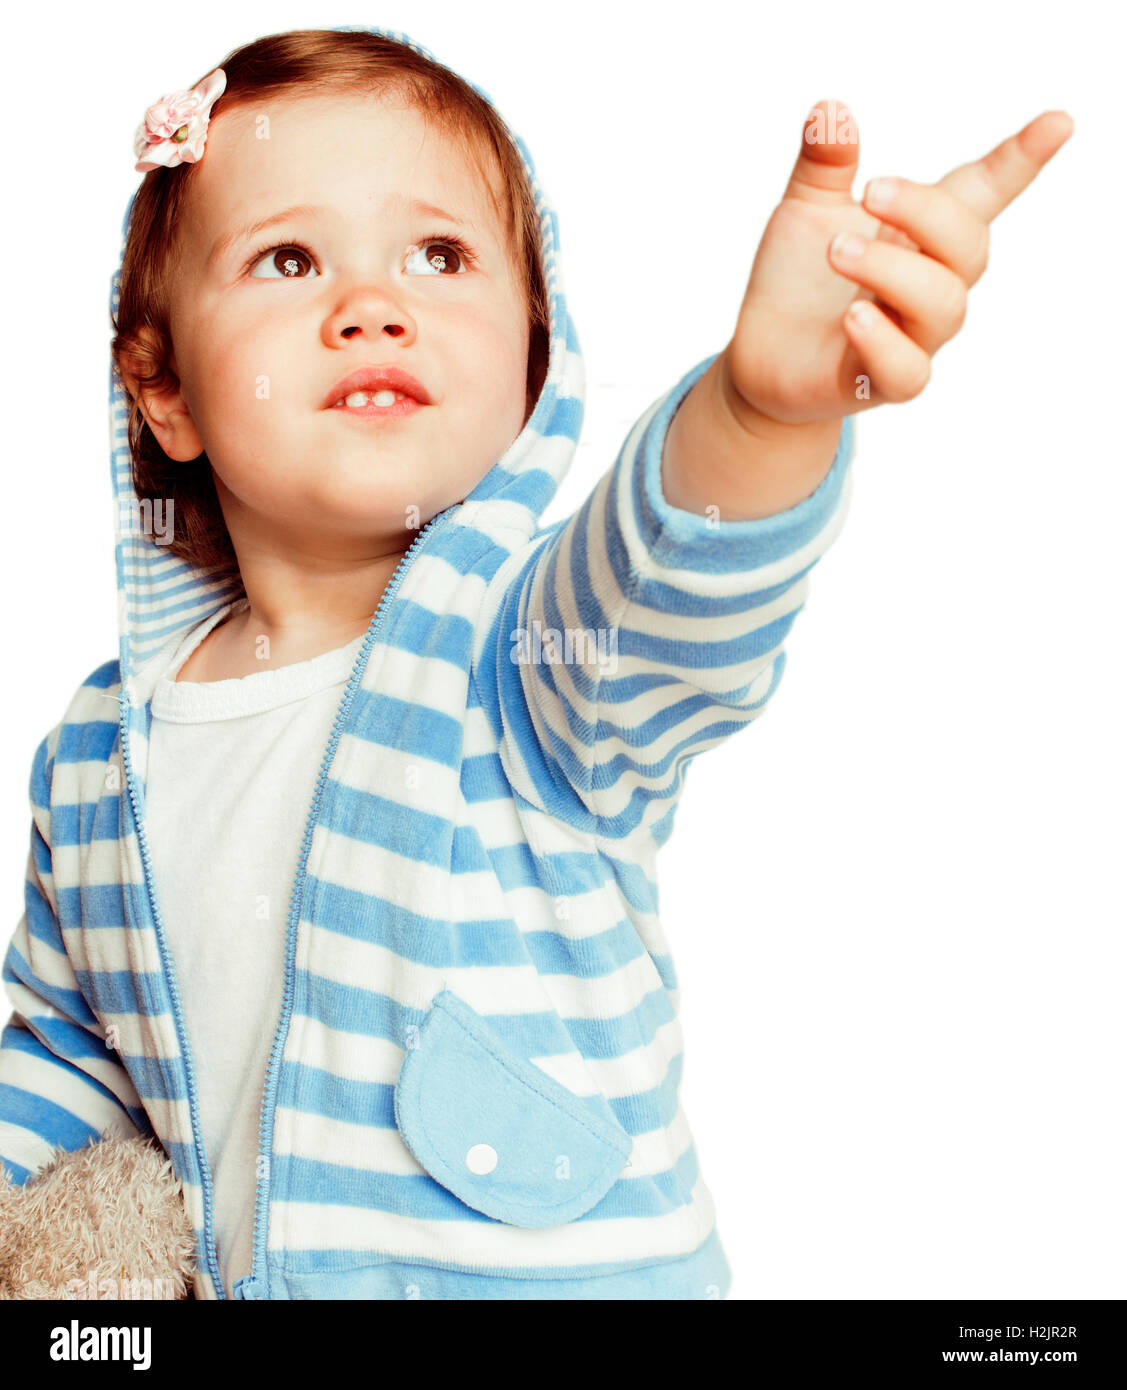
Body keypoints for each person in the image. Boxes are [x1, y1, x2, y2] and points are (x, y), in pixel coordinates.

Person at [0, 24, 1071, 1300]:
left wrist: (757, 411)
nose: (371, 303)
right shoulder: (100, 750)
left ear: (531, 356)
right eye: (288, 257)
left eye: (439, 254)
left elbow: (674, 586)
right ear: (160, 385)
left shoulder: (523, 646)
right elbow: (69, 1067)